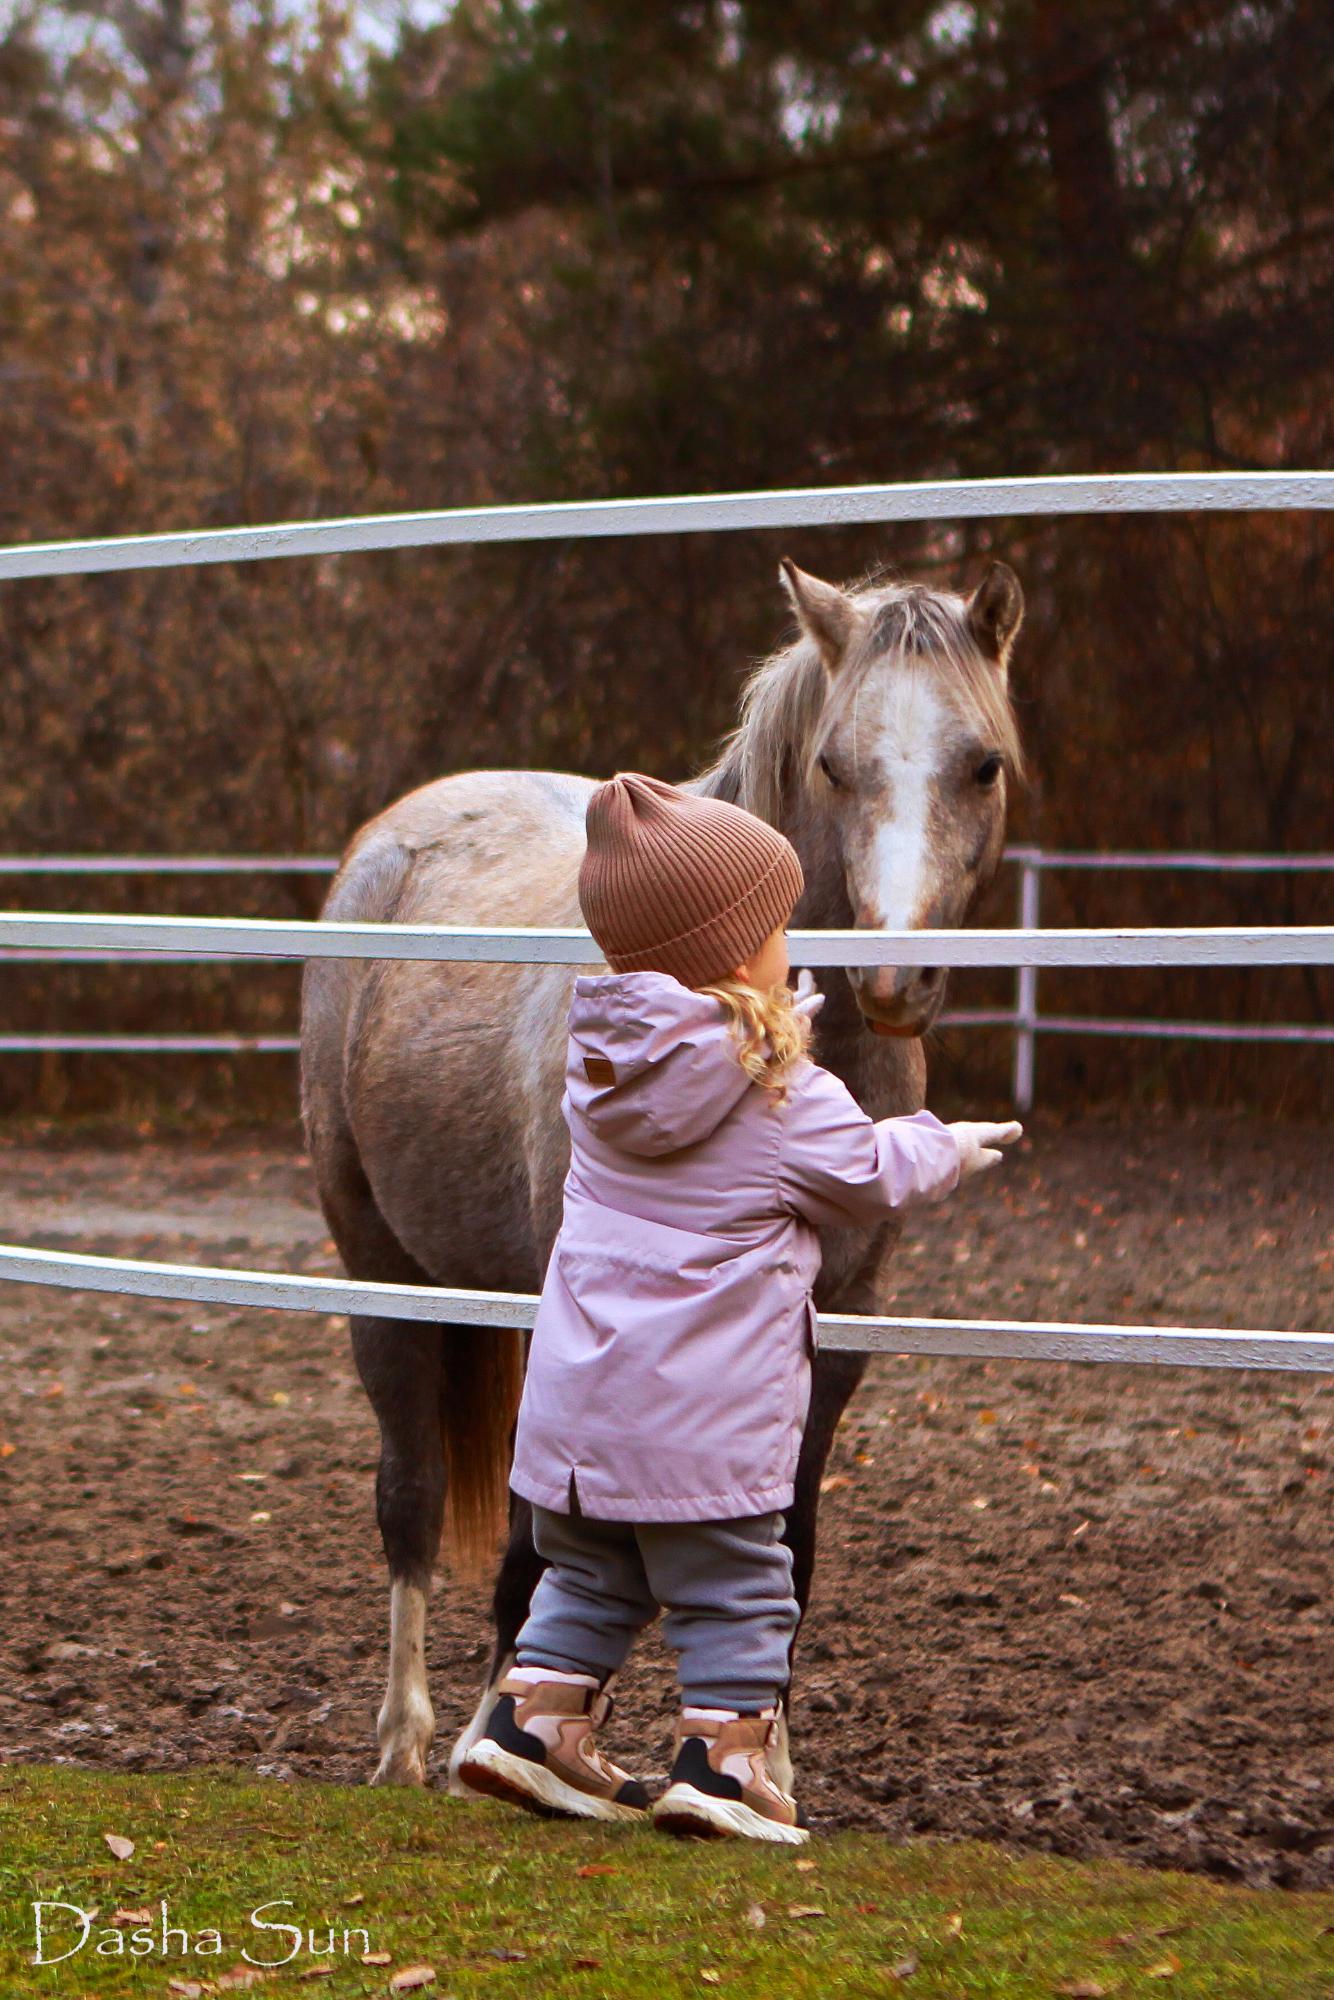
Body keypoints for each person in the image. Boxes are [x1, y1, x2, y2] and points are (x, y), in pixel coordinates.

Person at [458, 772, 1020, 1843]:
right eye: (770, 924)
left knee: (591, 1573)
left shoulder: (598, 1072)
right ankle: (723, 1766)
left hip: (580, 1421)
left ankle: (531, 1726)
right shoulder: (774, 1089)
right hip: (703, 1431)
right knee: (740, 1596)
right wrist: (943, 1143)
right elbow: (859, 1169)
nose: (786, 938)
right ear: (727, 951)